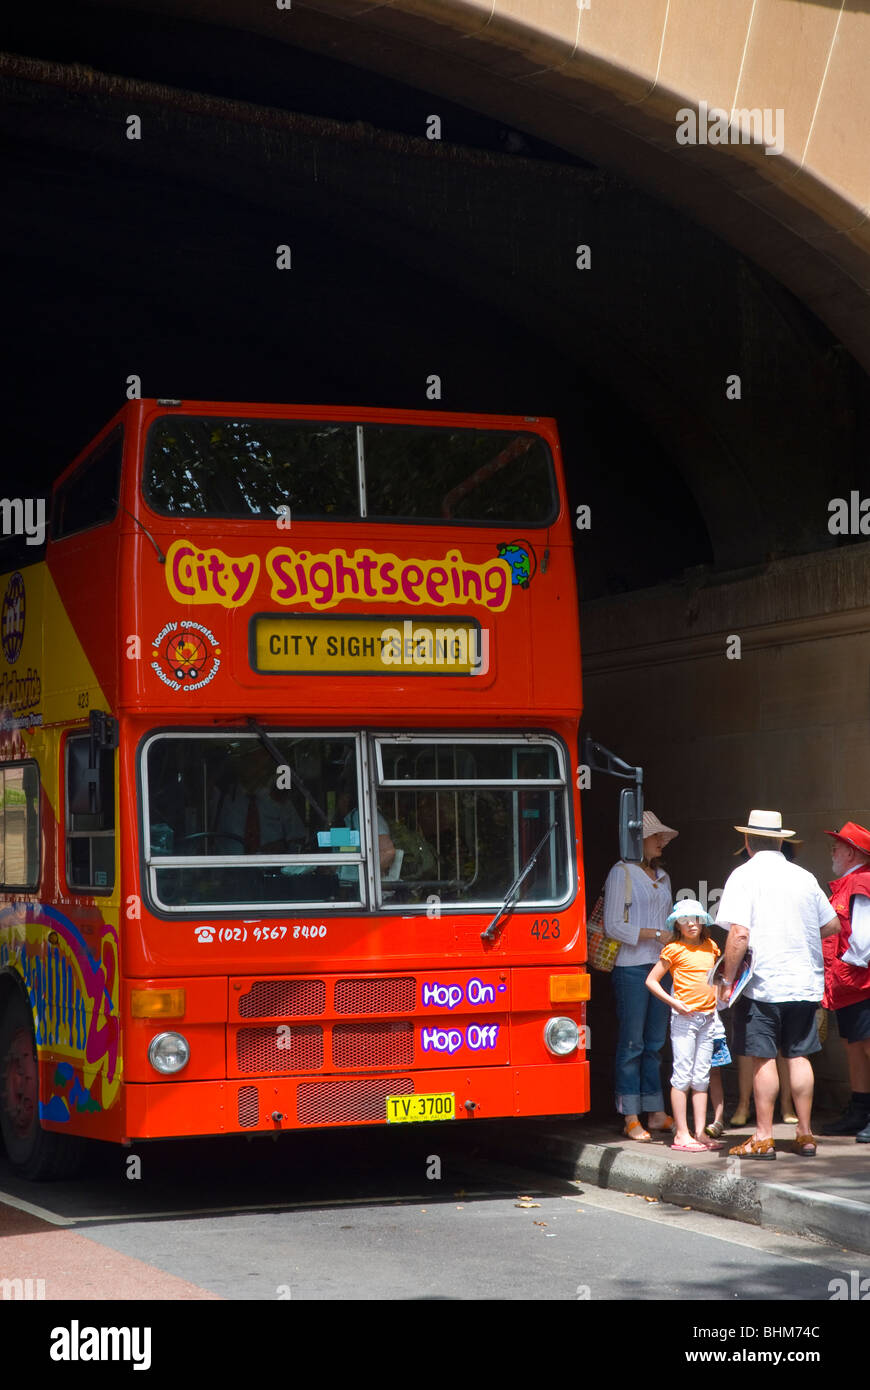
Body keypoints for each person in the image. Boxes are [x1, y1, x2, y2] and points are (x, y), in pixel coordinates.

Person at [715, 809, 840, 1159]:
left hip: (762, 984)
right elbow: (831, 925)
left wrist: (727, 980)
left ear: (747, 841)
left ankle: (764, 1136)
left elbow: (738, 934)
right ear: (782, 840)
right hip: (802, 980)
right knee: (799, 1057)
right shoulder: (803, 876)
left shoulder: (743, 875)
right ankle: (805, 1134)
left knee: (762, 1058)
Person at [604, 809, 677, 1141]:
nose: (661, 840)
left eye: (662, 836)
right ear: (638, 840)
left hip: (661, 966)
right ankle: (630, 1115)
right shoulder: (621, 873)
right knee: (632, 1043)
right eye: (655, 836)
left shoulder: (663, 877)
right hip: (631, 968)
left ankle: (656, 1111)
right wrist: (656, 935)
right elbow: (613, 926)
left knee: (655, 1044)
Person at [646, 900, 725, 1152]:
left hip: (708, 1018)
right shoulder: (673, 950)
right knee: (682, 1076)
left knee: (701, 1077)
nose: (691, 923)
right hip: (684, 1019)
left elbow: (716, 980)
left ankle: (700, 1133)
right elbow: (651, 981)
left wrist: (722, 994)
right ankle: (682, 1133)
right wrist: (675, 1003)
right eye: (685, 919)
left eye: (696, 918)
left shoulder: (712, 947)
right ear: (677, 925)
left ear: (702, 921)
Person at [820, 821, 870, 1143]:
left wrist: (843, 967)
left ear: (851, 852)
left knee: (866, 1046)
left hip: (861, 984)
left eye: (837, 846)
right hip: (850, 986)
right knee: (854, 1048)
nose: (833, 852)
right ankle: (859, 1109)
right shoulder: (849, 882)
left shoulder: (862, 882)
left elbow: (864, 941)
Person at [212, 748, 307, 854]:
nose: (256, 770)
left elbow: (298, 838)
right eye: (250, 762)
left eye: (260, 764)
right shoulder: (221, 796)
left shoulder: (279, 800)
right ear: (238, 765)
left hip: (269, 867)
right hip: (226, 866)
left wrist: (283, 846)